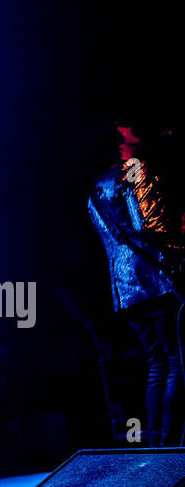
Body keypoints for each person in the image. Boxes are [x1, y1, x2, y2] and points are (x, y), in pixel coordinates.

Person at [88, 121, 185, 446]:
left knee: (156, 363)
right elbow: (149, 224)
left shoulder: (96, 186)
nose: (135, 129)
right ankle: (171, 443)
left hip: (124, 287)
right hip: (152, 279)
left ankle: (158, 443)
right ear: (120, 140)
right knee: (175, 361)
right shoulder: (133, 169)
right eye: (128, 128)